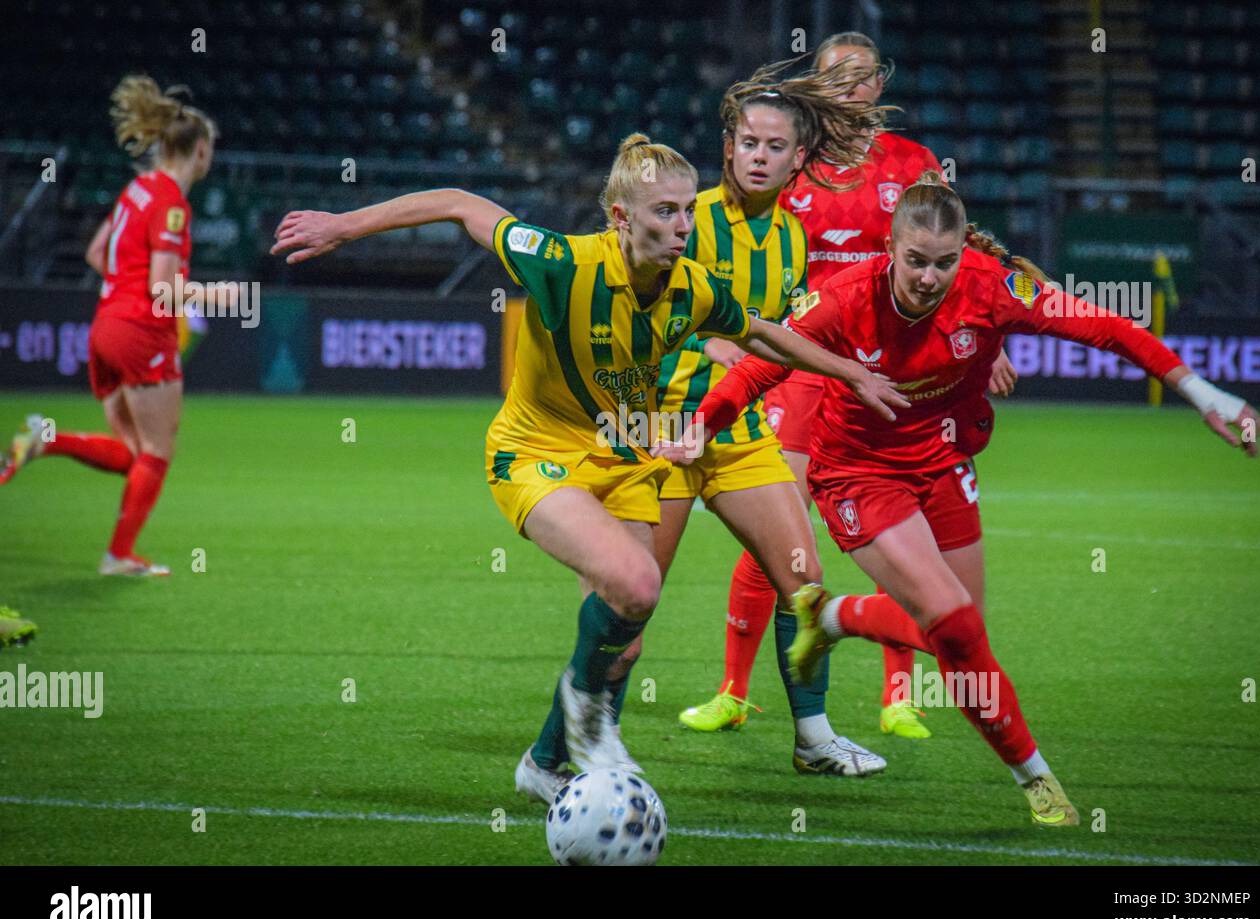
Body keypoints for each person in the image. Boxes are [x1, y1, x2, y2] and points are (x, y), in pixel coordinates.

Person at [269, 133, 905, 803]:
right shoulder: (561, 264)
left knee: (626, 640)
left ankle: (545, 764)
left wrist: (850, 374)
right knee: (636, 586)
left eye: (688, 210)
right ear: (620, 217)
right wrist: (345, 224)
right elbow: (459, 202)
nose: (683, 226)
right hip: (538, 452)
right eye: (665, 211)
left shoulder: (689, 285)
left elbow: (761, 331)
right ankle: (588, 715)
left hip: (627, 460)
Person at [689, 171, 1260, 825]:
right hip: (858, 473)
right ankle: (1040, 785)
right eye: (915, 261)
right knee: (955, 627)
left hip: (942, 458)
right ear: (891, 249)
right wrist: (701, 425)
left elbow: (1106, 327)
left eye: (944, 262)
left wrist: (1206, 395)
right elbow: (765, 365)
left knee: (963, 636)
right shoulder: (843, 298)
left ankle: (834, 618)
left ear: (963, 254)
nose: (929, 278)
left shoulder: (991, 288)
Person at [682, 31, 1016, 740]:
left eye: (864, 78)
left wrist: (984, 351)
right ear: (819, 87)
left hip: (900, 372)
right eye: (837, 78)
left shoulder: (915, 165)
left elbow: (956, 259)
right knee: (780, 529)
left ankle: (900, 695)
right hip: (809, 366)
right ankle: (734, 690)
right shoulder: (791, 164)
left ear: (880, 86)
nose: (851, 90)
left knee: (906, 525)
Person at [619, 61, 891, 775]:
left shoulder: (794, 241)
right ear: (728, 148)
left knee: (804, 584)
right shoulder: (688, 216)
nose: (759, 156)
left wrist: (848, 366)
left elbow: (775, 336)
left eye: (774, 146)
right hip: (665, 433)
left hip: (737, 433)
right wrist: (728, 343)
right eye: (748, 143)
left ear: (799, 158)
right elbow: (674, 318)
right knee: (629, 603)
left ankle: (814, 737)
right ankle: (587, 742)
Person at [1, 75, 226, 576]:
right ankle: (118, 556)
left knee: (133, 453)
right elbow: (164, 289)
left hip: (104, 328)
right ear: (202, 151)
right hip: (141, 333)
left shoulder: (137, 190)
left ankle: (45, 439)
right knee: (159, 451)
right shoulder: (171, 203)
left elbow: (97, 252)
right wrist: (219, 295)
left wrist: (129, 292)